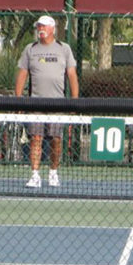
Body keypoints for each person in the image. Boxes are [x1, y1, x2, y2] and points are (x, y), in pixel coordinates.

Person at [15, 15, 79, 188]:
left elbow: (72, 75)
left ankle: (53, 172)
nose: (40, 29)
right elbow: (22, 74)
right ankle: (35, 175)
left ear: (52, 28)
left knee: (56, 139)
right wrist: (18, 100)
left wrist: (74, 101)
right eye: (38, 27)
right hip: (35, 103)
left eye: (43, 26)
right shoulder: (30, 49)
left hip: (58, 104)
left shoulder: (64, 49)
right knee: (36, 138)